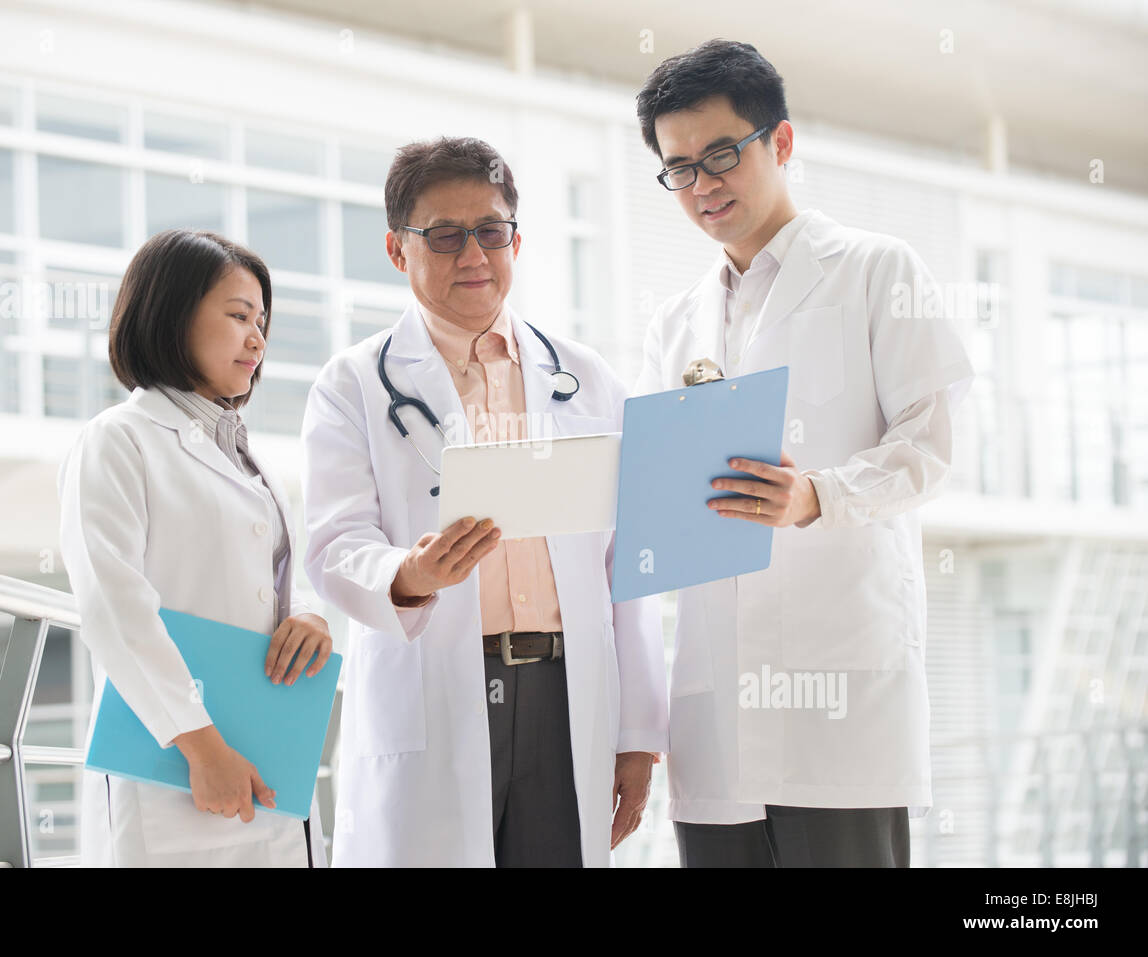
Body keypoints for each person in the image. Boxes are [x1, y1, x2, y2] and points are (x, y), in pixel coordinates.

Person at [633, 39, 974, 867]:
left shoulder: (876, 270)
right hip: (715, 706)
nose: (703, 185)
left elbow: (932, 444)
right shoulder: (674, 322)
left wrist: (818, 495)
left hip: (842, 692)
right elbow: (653, 499)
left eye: (721, 155)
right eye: (679, 167)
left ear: (779, 143)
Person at [300, 137, 667, 867]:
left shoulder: (589, 380)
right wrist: (410, 573)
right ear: (397, 248)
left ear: (516, 240)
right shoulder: (352, 385)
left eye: (490, 232)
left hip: (568, 697)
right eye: (443, 235)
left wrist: (639, 734)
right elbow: (334, 543)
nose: (473, 254)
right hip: (437, 687)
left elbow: (633, 568)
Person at [58, 228, 333, 867]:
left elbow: (288, 570)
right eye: (238, 316)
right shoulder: (118, 441)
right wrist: (202, 748)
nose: (257, 339)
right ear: (171, 315)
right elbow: (113, 605)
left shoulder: (247, 453)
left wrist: (313, 613)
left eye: (262, 321)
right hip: (173, 762)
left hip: (266, 747)